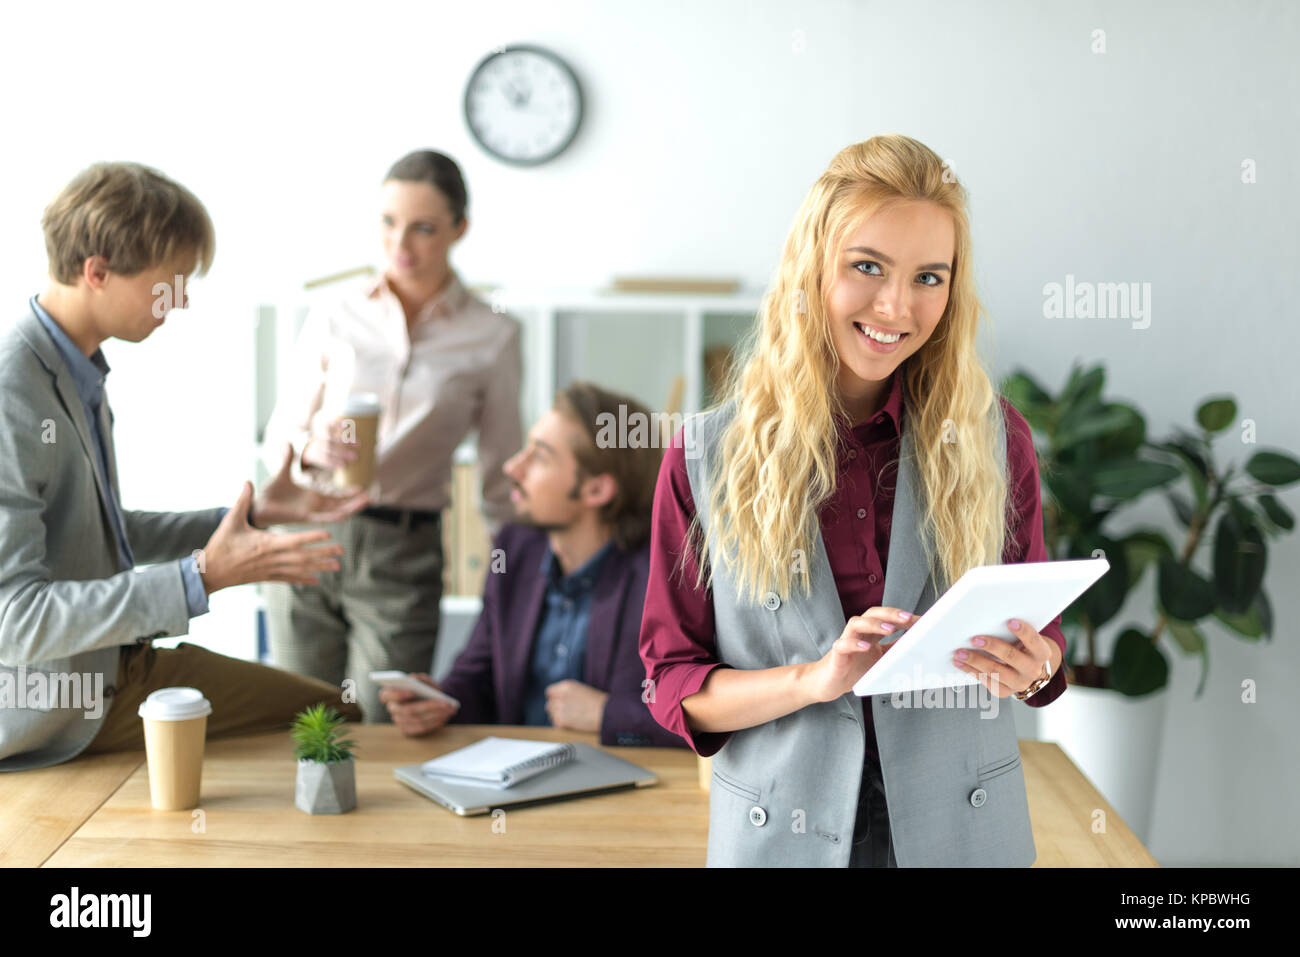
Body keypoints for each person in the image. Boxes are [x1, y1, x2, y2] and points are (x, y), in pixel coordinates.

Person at [639, 134, 1068, 867]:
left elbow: (1044, 648)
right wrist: (815, 679)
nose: (897, 305)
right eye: (867, 266)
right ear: (812, 270)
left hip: (962, 830)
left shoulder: (996, 437)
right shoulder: (704, 456)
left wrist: (1033, 666)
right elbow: (672, 683)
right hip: (782, 832)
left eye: (929, 276)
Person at [0, 161, 368, 771]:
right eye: (170, 281)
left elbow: (99, 531)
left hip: (120, 666)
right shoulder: (14, 391)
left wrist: (245, 518)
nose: (183, 298)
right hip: (61, 708)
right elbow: (16, 621)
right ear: (97, 272)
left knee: (336, 713)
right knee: (329, 721)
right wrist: (201, 576)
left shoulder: (74, 367)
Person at [261, 150, 523, 723]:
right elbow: (281, 431)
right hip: (308, 534)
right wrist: (309, 446)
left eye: (424, 228)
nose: (401, 243)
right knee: (300, 725)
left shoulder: (493, 336)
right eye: (388, 222)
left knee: (385, 724)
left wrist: (514, 570)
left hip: (403, 553)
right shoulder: (335, 311)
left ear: (460, 229)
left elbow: (501, 470)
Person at [380, 382, 686, 748]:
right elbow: (477, 674)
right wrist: (439, 702)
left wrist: (608, 714)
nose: (512, 468)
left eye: (538, 457)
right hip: (513, 784)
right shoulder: (515, 550)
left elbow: (702, 716)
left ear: (596, 490)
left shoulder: (662, 577)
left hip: (621, 789)